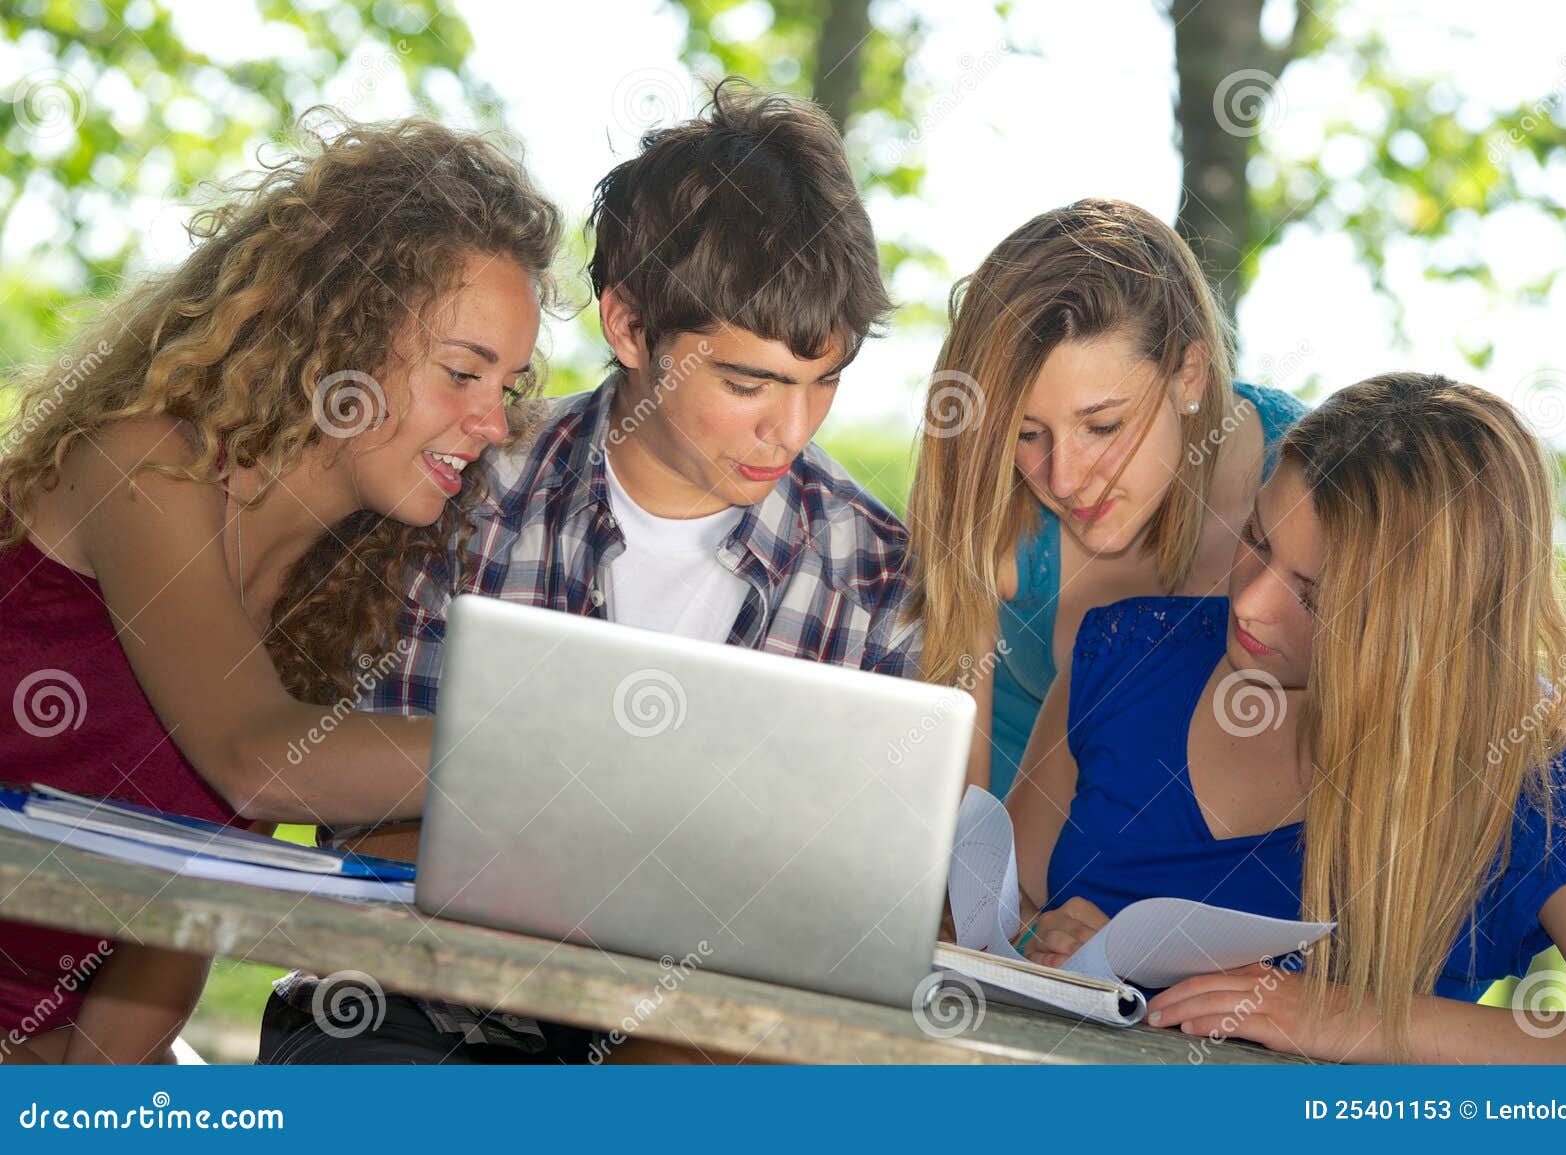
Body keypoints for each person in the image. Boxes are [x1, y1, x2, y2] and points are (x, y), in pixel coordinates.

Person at [258, 81, 918, 1065]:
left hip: (697, 1044)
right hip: (418, 1009)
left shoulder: (875, 575)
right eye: (748, 385)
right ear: (629, 327)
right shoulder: (460, 488)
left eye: (826, 383)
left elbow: (866, 918)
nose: (793, 429)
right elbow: (358, 832)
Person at [0, 112, 560, 1063]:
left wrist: (77, 1086)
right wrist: (561, 741)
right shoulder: (144, 464)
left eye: (507, 387)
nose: (493, 422)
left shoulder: (332, 599)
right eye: (463, 372)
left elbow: (188, 899)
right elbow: (258, 757)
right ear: (339, 331)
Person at [1009, 373, 1566, 1062]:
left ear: (1425, 635)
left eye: (1314, 597)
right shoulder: (1127, 652)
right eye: (1258, 539)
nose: (1251, 603)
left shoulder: (1531, 764)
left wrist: (1353, 1018)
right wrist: (1046, 946)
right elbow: (997, 907)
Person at [906, 200, 1305, 798]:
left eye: (1102, 427)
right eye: (1026, 433)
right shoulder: (993, 496)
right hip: (1005, 863)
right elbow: (944, 810)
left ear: (1188, 376)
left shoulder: (1309, 485)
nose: (1063, 480)